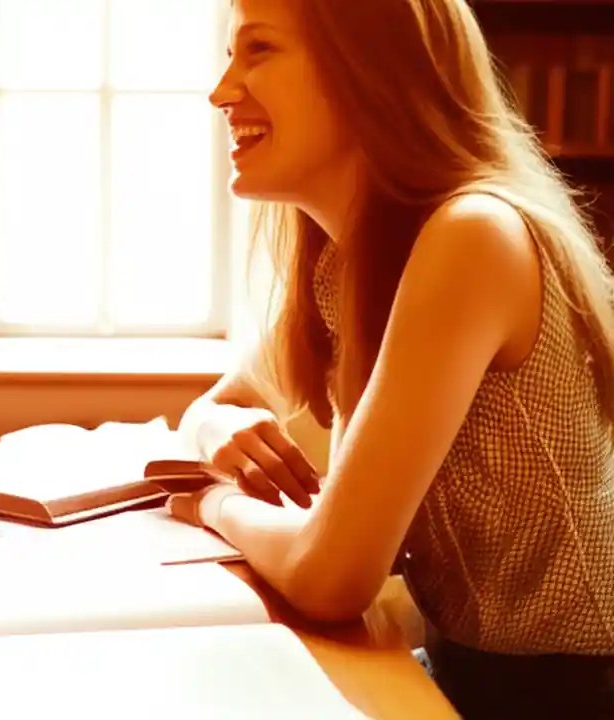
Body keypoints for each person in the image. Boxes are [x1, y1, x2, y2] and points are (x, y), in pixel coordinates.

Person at [174, 0, 614, 716]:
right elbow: (213, 407)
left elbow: (332, 576)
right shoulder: (349, 261)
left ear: (371, 73)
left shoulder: (474, 237)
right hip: (464, 676)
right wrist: (219, 436)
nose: (222, 91)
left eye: (258, 51)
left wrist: (213, 503)